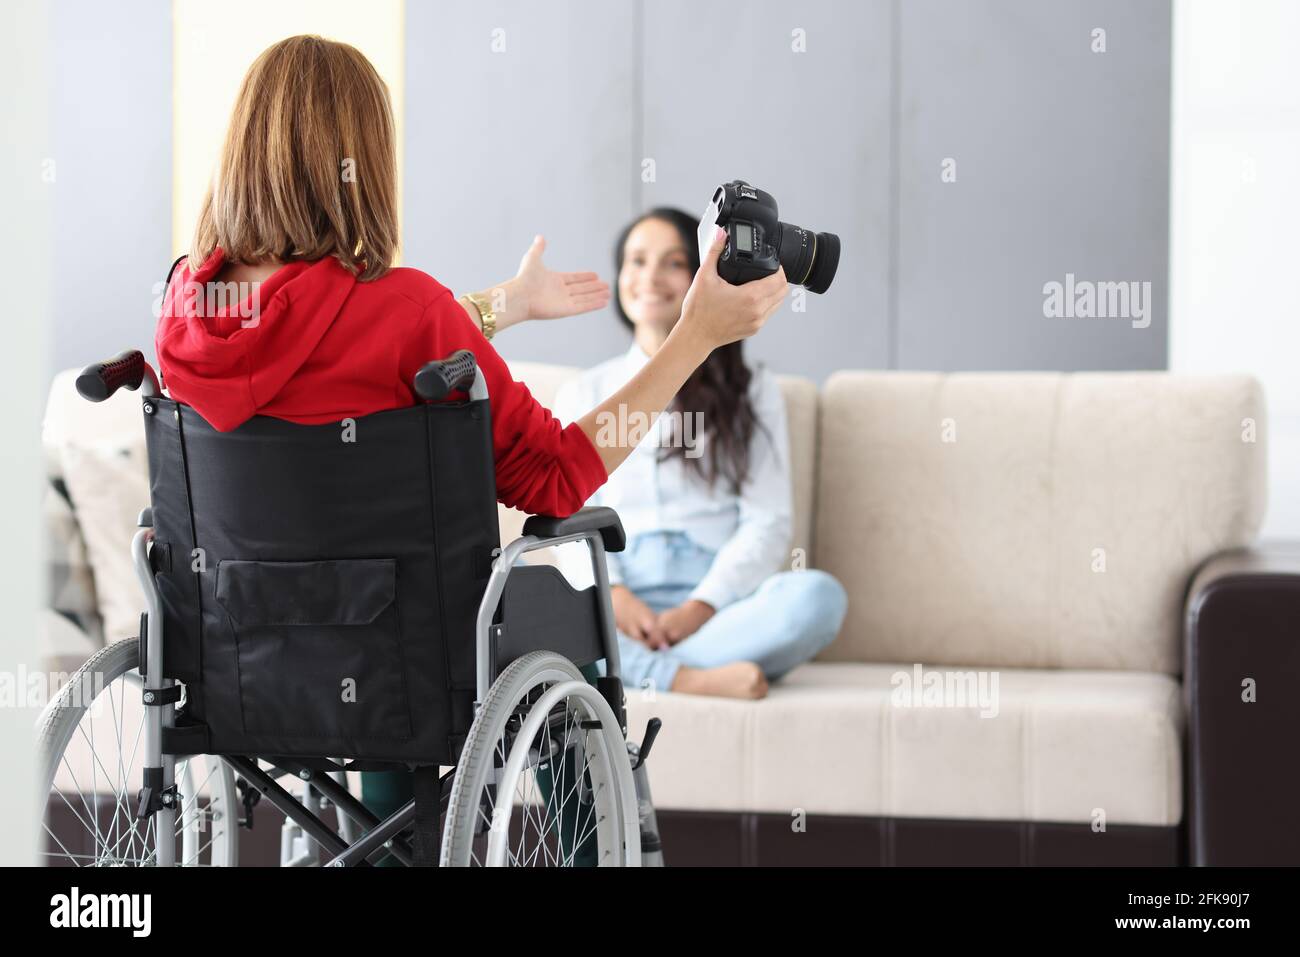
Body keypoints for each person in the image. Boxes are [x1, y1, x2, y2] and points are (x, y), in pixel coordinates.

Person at [151, 36, 787, 861]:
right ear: (362, 161)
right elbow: (556, 479)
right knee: (547, 615)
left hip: (241, 656)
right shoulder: (412, 313)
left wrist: (496, 306)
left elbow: (317, 327)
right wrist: (694, 337)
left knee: (364, 637)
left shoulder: (182, 310)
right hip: (405, 665)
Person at [554, 209, 848, 701]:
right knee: (534, 604)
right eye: (637, 260)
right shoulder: (586, 391)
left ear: (700, 275)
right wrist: (617, 598)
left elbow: (768, 522)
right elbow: (567, 513)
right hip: (612, 596)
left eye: (672, 263)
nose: (650, 277)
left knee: (817, 598)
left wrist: (698, 608)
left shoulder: (750, 389)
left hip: (718, 604)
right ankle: (688, 680)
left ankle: (632, 670)